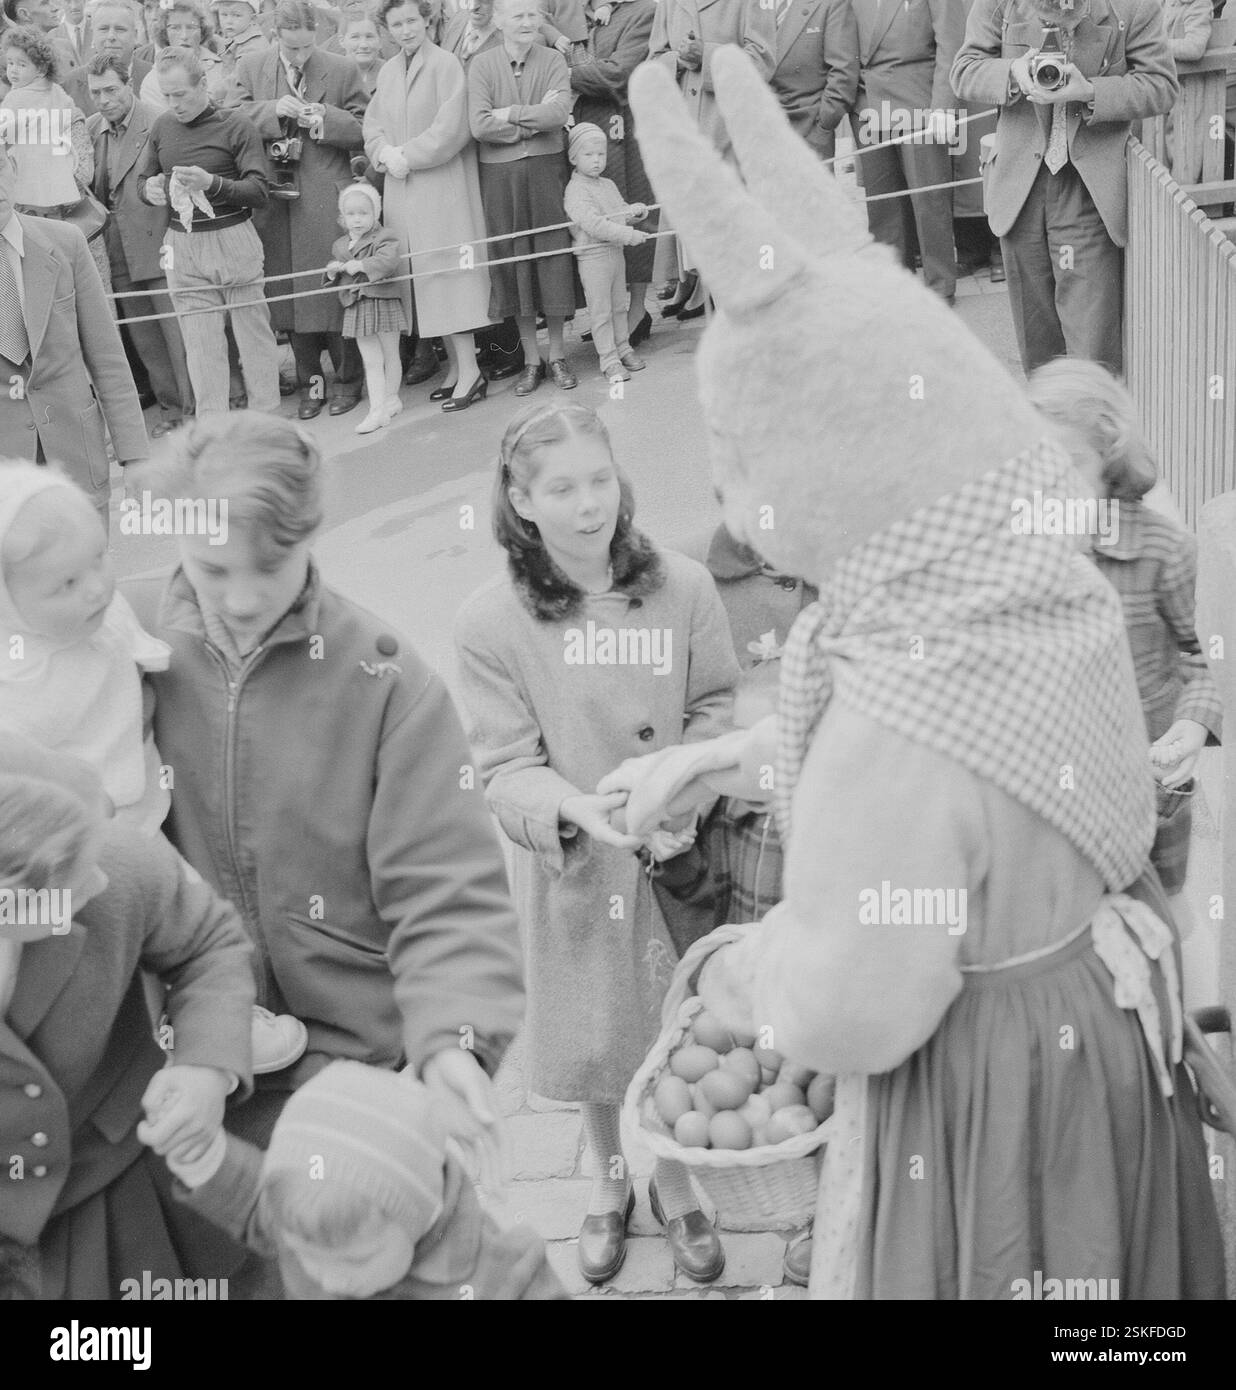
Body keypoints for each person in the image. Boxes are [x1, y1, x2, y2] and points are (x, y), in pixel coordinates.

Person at [607, 47, 1227, 1300]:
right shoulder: (1034, 589)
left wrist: (749, 969)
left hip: (993, 1084)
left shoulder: (894, 713)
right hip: (1102, 1028)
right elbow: (1003, 788)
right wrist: (721, 753)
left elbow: (855, 1004)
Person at [121, 413, 525, 1260]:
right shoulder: (122, 639)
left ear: (311, 532)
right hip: (176, 1077)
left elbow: (446, 889)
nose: (238, 597)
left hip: (350, 1082)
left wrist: (454, 1043)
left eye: (270, 566)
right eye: (211, 568)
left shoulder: (383, 678)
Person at [454, 402, 740, 1287]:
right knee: (595, 1042)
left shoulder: (686, 586)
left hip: (677, 853)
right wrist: (576, 808)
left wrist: (685, 792)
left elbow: (718, 708)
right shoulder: (491, 624)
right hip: (575, 862)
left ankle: (679, 1182)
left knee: (678, 1025)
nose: (590, 506)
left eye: (601, 481)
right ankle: (609, 1181)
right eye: (563, 488)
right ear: (520, 498)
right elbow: (502, 766)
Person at [0, 738, 255, 1300]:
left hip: (110, 1184)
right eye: (76, 884)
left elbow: (210, 943)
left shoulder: (108, 860)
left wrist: (206, 1066)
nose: (99, 884)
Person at [1027, 359, 1222, 904]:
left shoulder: (1164, 551)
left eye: (1067, 465)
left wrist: (1194, 723)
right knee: (1074, 911)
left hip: (1146, 775)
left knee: (1164, 910)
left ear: (1110, 460)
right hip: (1053, 775)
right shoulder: (1015, 547)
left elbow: (1205, 657)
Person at [150, 1060, 568, 1299]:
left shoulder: (498, 1276)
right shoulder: (312, 1231)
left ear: (421, 1215)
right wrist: (202, 1155)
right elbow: (251, 1200)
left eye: (355, 1261)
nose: (329, 1279)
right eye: (304, 1255)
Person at [951, 0, 1177, 374]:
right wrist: (1014, 73)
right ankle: (1049, 428)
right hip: (1019, 190)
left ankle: (1093, 428)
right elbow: (963, 70)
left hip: (1087, 190)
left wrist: (1090, 91)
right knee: (1038, 348)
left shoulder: (1135, 6)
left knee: (1093, 352)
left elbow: (1162, 86)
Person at [0, 464, 170, 833]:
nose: (97, 588)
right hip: (85, 842)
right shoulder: (15, 681)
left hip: (152, 799)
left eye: (98, 558)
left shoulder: (99, 611)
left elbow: (140, 653)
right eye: (68, 582)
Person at [232, 0, 367, 420]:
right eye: (292, 50)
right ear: (275, 37)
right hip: (276, 199)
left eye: (308, 47)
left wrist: (326, 118)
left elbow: (365, 126)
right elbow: (229, 119)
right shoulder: (250, 67)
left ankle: (347, 383)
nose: (301, 56)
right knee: (291, 302)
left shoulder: (342, 69)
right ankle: (314, 386)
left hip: (326, 196)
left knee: (334, 295)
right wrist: (271, 110)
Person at [0, 145, 148, 526]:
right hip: (8, 485)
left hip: (75, 461)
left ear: (12, 167)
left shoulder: (66, 243)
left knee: (88, 580)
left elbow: (107, 357)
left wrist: (135, 457)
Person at [136, 48, 282, 417]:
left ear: (203, 85)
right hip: (183, 244)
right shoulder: (162, 126)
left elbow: (259, 191)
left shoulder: (236, 125)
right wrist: (148, 190)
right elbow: (143, 178)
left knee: (254, 338)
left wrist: (213, 183)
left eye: (181, 95)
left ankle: (267, 421)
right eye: (167, 96)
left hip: (233, 235)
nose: (174, 104)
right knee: (200, 346)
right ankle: (213, 430)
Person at [366, 0, 492, 411]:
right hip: (403, 189)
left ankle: (471, 371)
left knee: (448, 277)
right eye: (396, 24)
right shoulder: (387, 72)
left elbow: (451, 128)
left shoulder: (447, 65)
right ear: (387, 29)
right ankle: (456, 368)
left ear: (427, 20)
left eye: (411, 21)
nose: (405, 30)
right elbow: (373, 124)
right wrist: (384, 153)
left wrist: (408, 155)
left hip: (441, 186)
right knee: (423, 279)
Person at [469, 0, 576, 396]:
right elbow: (479, 125)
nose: (528, 22)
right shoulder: (481, 64)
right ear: (498, 21)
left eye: (533, 15)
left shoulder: (552, 60)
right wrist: (531, 123)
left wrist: (509, 112)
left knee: (552, 257)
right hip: (500, 178)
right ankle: (532, 360)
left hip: (547, 172)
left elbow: (558, 113)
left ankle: (560, 354)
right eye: (518, 15)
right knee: (516, 262)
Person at [87, 53, 195, 437]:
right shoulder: (92, 128)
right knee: (144, 334)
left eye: (111, 90)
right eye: (95, 92)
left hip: (157, 236)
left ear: (129, 84)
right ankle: (170, 408)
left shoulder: (157, 121)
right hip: (115, 245)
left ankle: (192, 408)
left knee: (175, 328)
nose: (103, 100)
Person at [647, 0, 775, 320]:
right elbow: (653, 59)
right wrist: (676, 60)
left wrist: (707, 55)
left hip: (732, 138)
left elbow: (762, 61)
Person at [848, 0, 966, 304]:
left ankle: (940, 288)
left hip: (919, 102)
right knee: (883, 205)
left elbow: (951, 47)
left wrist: (943, 108)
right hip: (868, 105)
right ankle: (893, 286)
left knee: (929, 200)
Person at [567, 0, 657, 349]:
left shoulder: (643, 11)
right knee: (597, 221)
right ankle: (612, 313)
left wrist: (566, 74)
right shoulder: (586, 13)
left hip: (625, 130)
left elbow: (617, 73)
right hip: (591, 126)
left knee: (631, 212)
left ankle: (637, 311)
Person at [1, 25, 111, 290]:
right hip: (27, 224)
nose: (13, 70)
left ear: (40, 69)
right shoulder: (12, 106)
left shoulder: (63, 109)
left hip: (71, 219)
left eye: (21, 64)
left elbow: (83, 171)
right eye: (9, 63)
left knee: (93, 301)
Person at [562, 121, 649, 383]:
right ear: (573, 157)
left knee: (618, 306)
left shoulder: (607, 184)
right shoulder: (575, 190)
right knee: (601, 311)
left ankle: (623, 347)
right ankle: (609, 359)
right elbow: (595, 224)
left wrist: (635, 212)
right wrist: (629, 235)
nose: (597, 161)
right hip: (593, 258)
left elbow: (619, 211)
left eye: (601, 154)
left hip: (615, 253)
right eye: (589, 155)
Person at [324, 181, 407, 432]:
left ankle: (391, 400)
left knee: (391, 354)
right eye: (351, 214)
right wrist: (331, 273)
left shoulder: (385, 236)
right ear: (342, 217)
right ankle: (376, 410)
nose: (357, 220)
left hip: (383, 299)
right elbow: (340, 275)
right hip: (358, 305)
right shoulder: (340, 246)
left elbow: (388, 261)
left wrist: (361, 266)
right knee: (371, 360)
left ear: (376, 213)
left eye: (363, 213)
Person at [768, 0, 858, 164]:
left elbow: (843, 70)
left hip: (808, 126)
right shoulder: (750, 5)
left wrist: (823, 124)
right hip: (761, 126)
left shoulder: (830, 4)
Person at [59, 0, 153, 117]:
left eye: (120, 29)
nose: (111, 36)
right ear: (93, 34)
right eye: (104, 29)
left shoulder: (154, 76)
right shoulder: (70, 85)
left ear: (135, 35)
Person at [137, 0, 226, 110]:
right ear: (165, 33)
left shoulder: (222, 67)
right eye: (175, 28)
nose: (184, 36)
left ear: (202, 31)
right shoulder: (152, 80)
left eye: (191, 27)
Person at [211, 0, 269, 95]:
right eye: (224, 14)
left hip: (244, 100)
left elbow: (237, 80)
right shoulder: (235, 38)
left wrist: (210, 93)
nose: (229, 21)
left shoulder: (254, 45)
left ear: (253, 19)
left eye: (237, 15)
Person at [338, 9, 385, 91]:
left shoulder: (392, 72)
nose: (364, 45)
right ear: (342, 41)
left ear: (380, 41)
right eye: (355, 37)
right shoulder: (330, 74)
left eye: (369, 36)